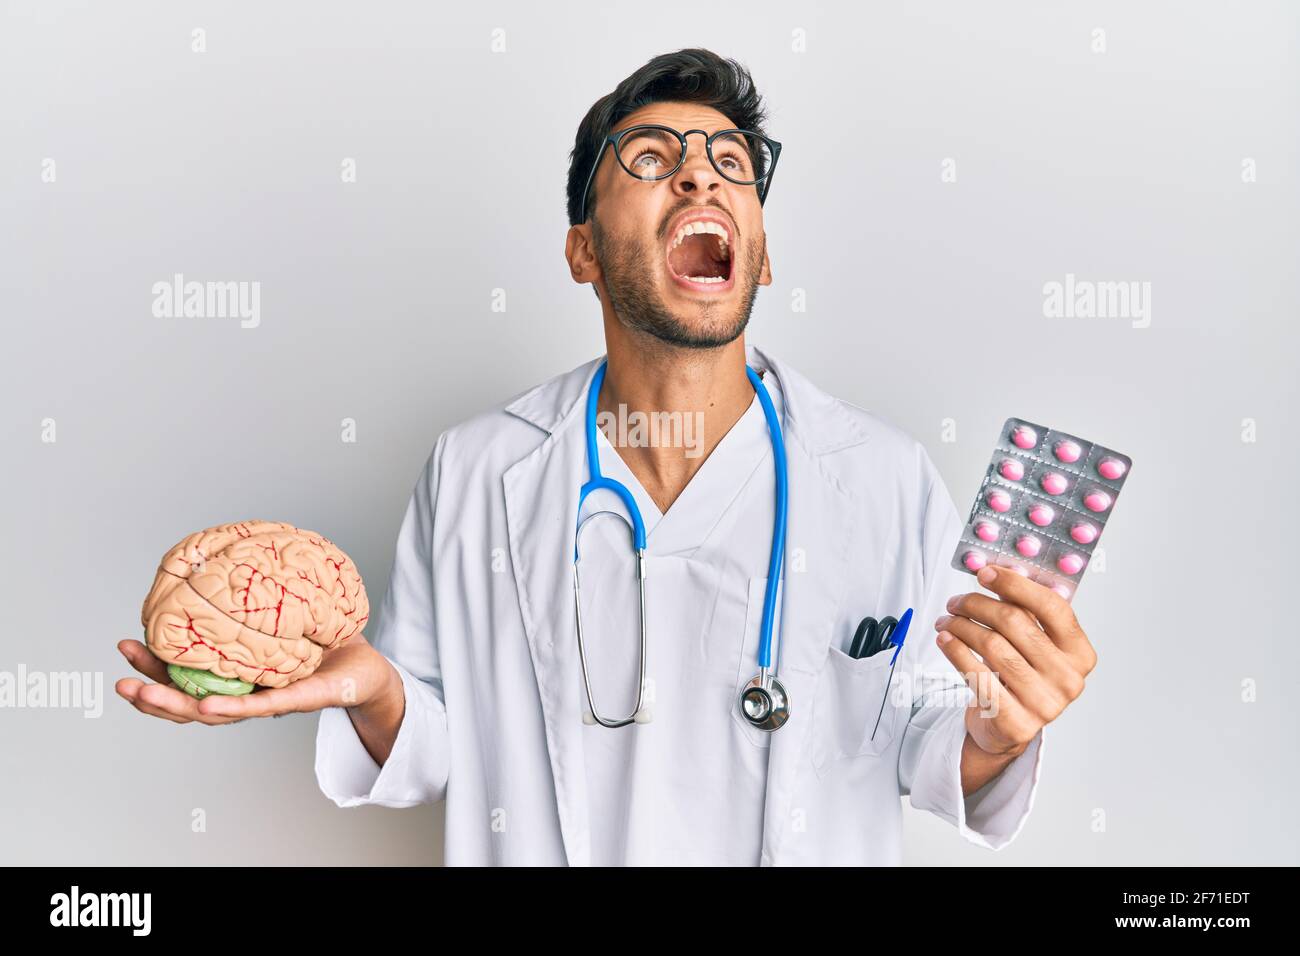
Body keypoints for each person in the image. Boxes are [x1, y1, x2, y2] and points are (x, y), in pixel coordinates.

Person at [118, 48, 1096, 866]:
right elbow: (430, 749)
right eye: (649, 157)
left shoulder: (881, 474)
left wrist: (1001, 724)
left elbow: (933, 750)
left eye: (730, 162)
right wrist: (377, 690)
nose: (701, 173)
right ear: (582, 250)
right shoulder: (474, 470)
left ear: (760, 253)